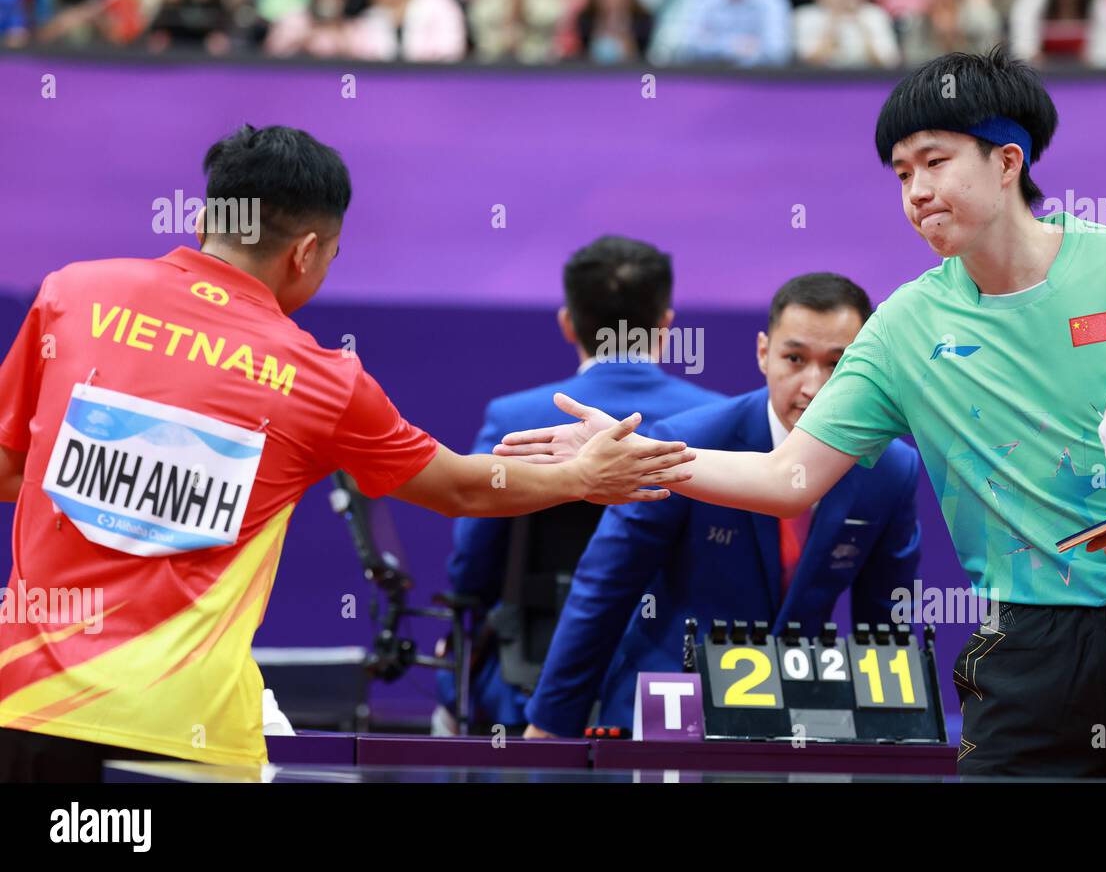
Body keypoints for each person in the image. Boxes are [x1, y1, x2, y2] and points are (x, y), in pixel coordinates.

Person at [495, 47, 1106, 779]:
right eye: (900, 173)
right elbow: (788, 476)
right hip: (1032, 647)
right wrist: (637, 453)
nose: (915, 192)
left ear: (1007, 161)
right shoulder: (905, 326)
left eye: (935, 162)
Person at [0, 125, 690, 782]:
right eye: (332, 255)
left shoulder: (73, 294)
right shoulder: (320, 379)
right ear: (304, 251)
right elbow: (460, 489)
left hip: (23, 704)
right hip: (177, 732)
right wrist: (581, 476)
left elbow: (11, 469)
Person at [523, 273, 922, 737]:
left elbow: (885, 621)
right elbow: (606, 584)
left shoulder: (892, 470)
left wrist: (897, 734)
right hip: (672, 701)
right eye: (794, 359)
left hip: (801, 714)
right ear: (762, 353)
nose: (813, 386)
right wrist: (551, 721)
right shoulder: (683, 442)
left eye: (838, 363)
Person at [437, 236, 722, 732]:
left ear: (568, 322)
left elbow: (472, 567)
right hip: (671, 680)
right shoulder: (715, 420)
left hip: (530, 673)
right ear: (666, 324)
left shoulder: (515, 418)